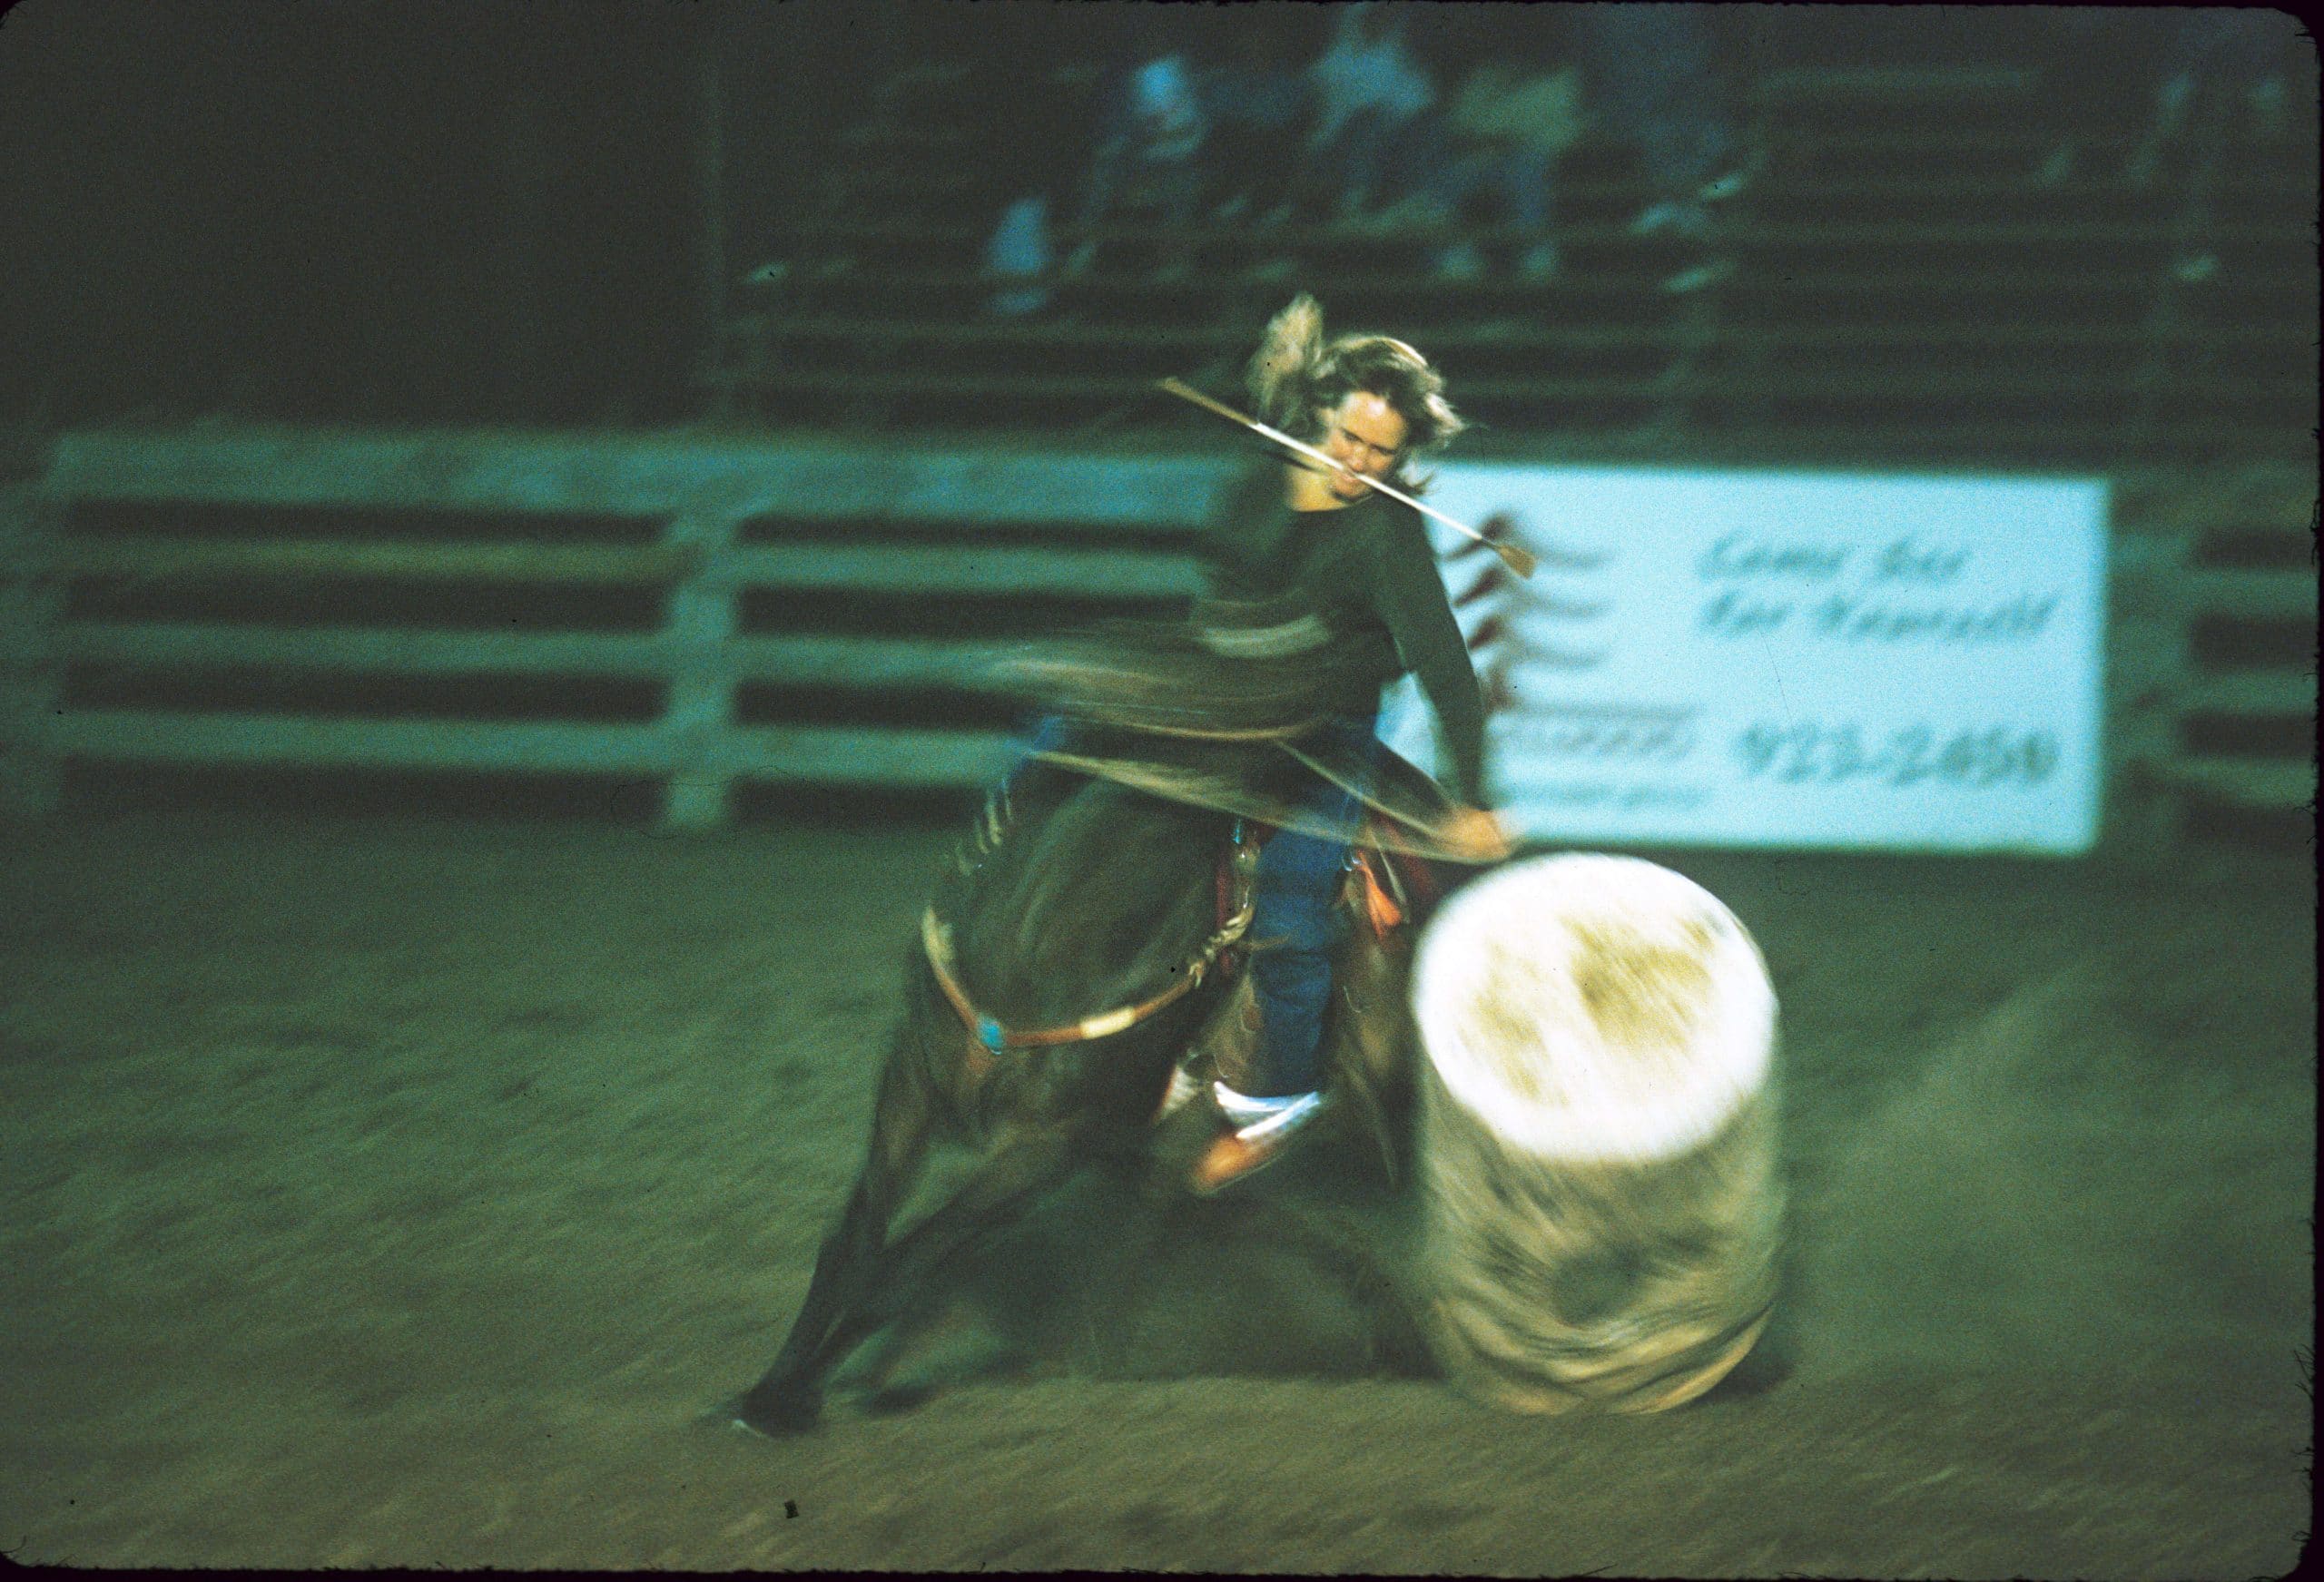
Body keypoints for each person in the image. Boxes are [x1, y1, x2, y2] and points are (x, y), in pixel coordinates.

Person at [1176, 296, 1510, 1190]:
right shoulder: (1262, 472)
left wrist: (1473, 795)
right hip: (1226, 699)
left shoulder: (1388, 533)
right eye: (1345, 436)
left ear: (1405, 455)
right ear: (1318, 414)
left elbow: (1444, 669)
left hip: (1326, 727)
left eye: (1380, 451)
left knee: (1289, 907)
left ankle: (1276, 1102)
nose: (1357, 461)